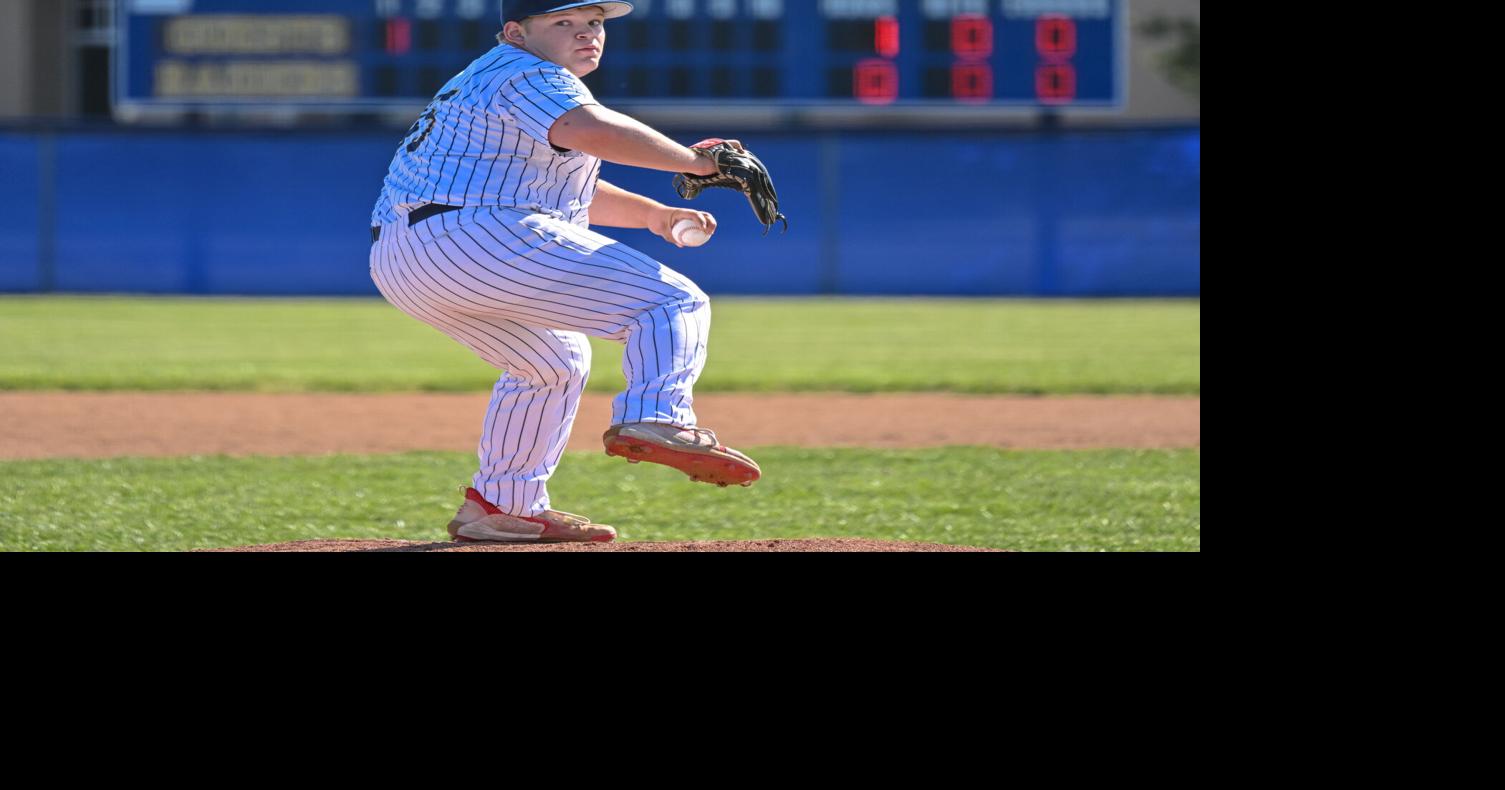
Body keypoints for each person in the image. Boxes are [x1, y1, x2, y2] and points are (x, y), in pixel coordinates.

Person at [368, 0, 761, 544]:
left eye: (594, 23)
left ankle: (502, 506)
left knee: (553, 362)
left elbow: (551, 179)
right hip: (474, 236)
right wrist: (696, 163)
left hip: (411, 256)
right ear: (515, 32)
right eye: (563, 23)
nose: (586, 34)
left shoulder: (495, 79)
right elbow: (591, 128)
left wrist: (653, 215)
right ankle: (658, 416)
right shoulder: (527, 72)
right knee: (672, 302)